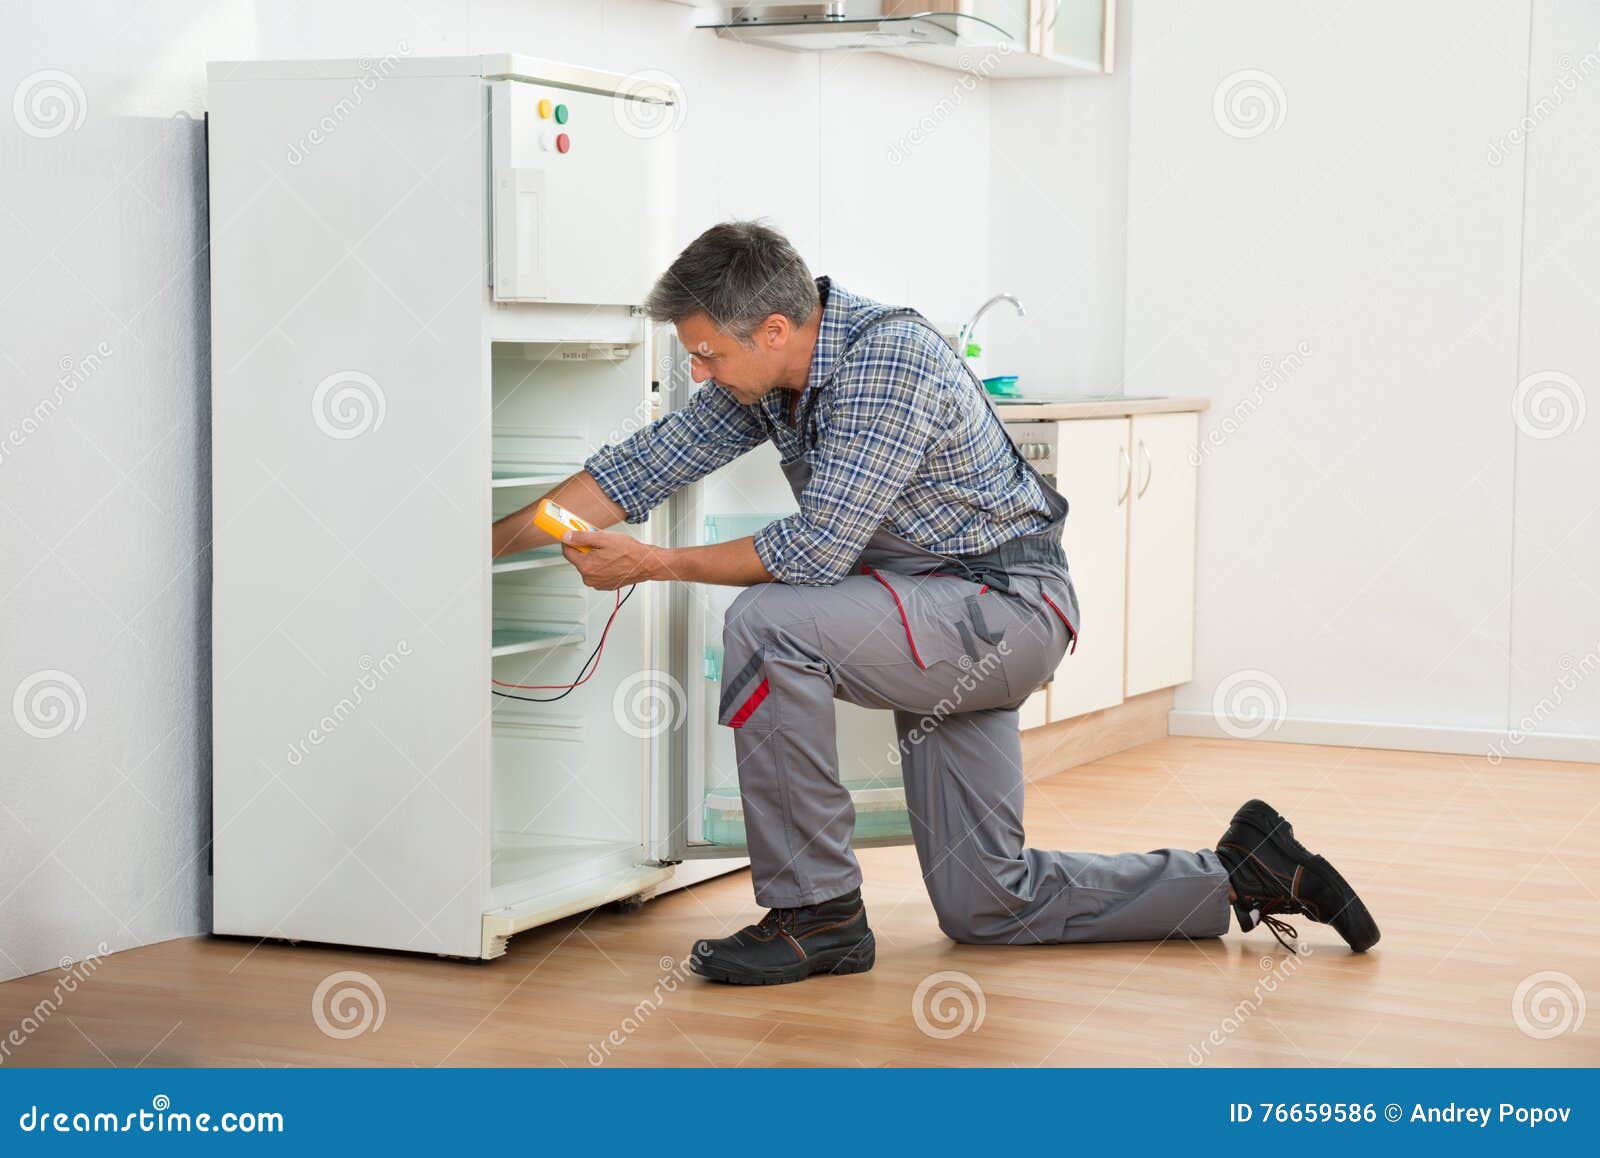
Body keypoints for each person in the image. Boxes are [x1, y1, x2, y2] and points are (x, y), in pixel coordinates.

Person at [492, 221, 1380, 985]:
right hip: (931, 613)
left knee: (767, 626)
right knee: (988, 903)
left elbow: (814, 552)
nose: (698, 370)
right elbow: (639, 469)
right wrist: (479, 547)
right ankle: (1240, 874)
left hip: (1000, 609)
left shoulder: (888, 361)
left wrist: (653, 562)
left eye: (707, 353)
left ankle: (818, 915)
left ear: (770, 328)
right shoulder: (769, 383)